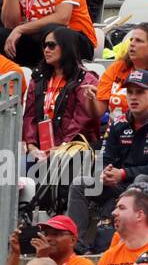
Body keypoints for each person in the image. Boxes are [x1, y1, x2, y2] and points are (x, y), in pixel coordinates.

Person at [20, 26, 101, 176]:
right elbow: (29, 116)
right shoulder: (38, 78)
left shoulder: (86, 79)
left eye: (51, 45)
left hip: (72, 149)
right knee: (15, 168)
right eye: (44, 45)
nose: (46, 50)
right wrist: (32, 146)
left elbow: (82, 121)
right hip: (39, 149)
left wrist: (61, 147)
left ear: (66, 47)